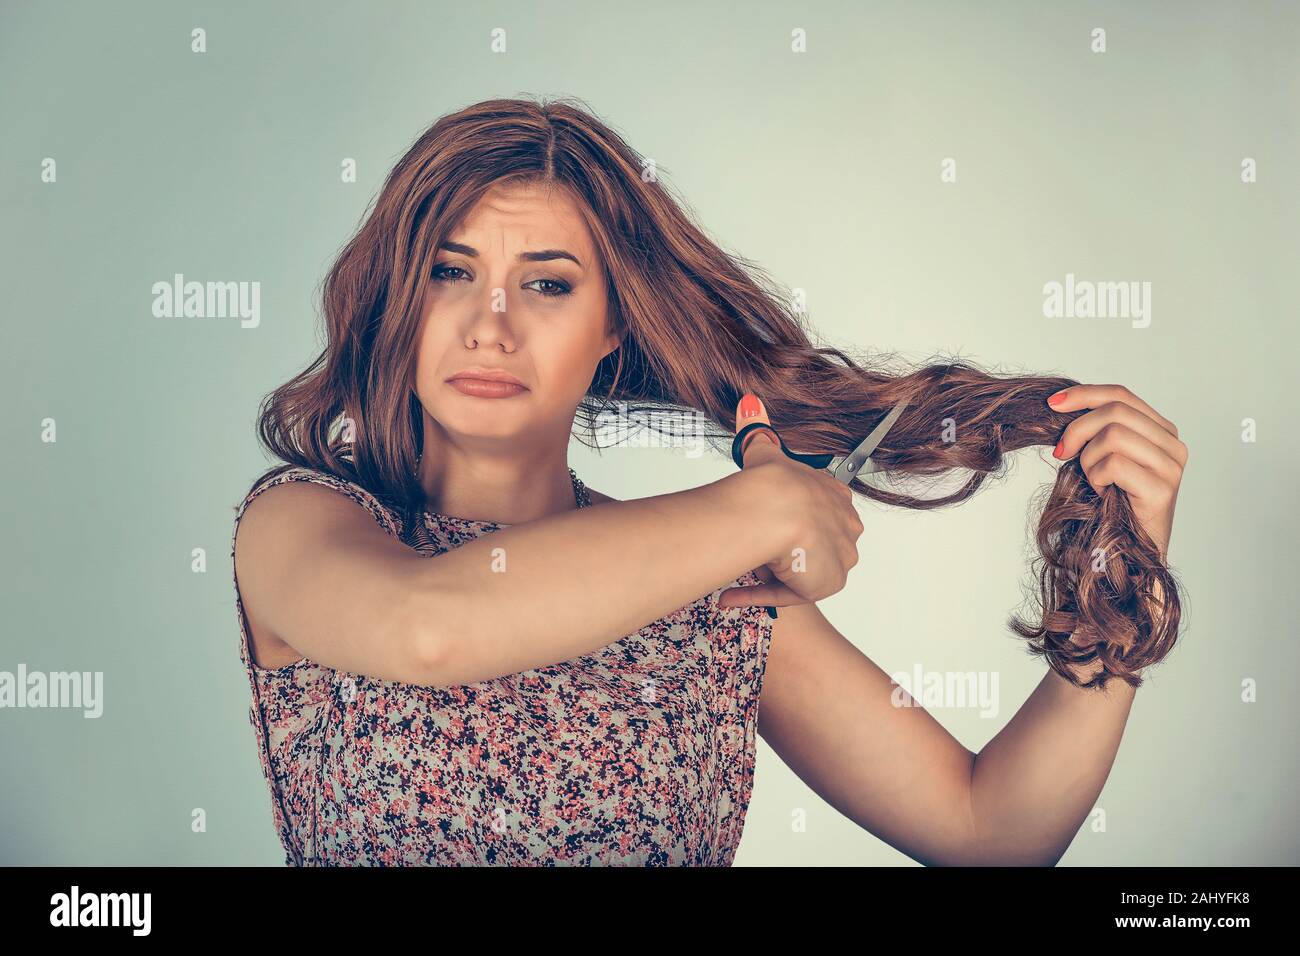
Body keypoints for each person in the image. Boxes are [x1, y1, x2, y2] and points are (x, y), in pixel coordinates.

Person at [231, 96, 1187, 866]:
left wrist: (1121, 589)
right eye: (449, 271)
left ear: (615, 329)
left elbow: (992, 835)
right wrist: (763, 505)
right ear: (401, 297)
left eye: (549, 283)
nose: (490, 323)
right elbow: (428, 628)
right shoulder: (303, 524)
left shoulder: (708, 586)